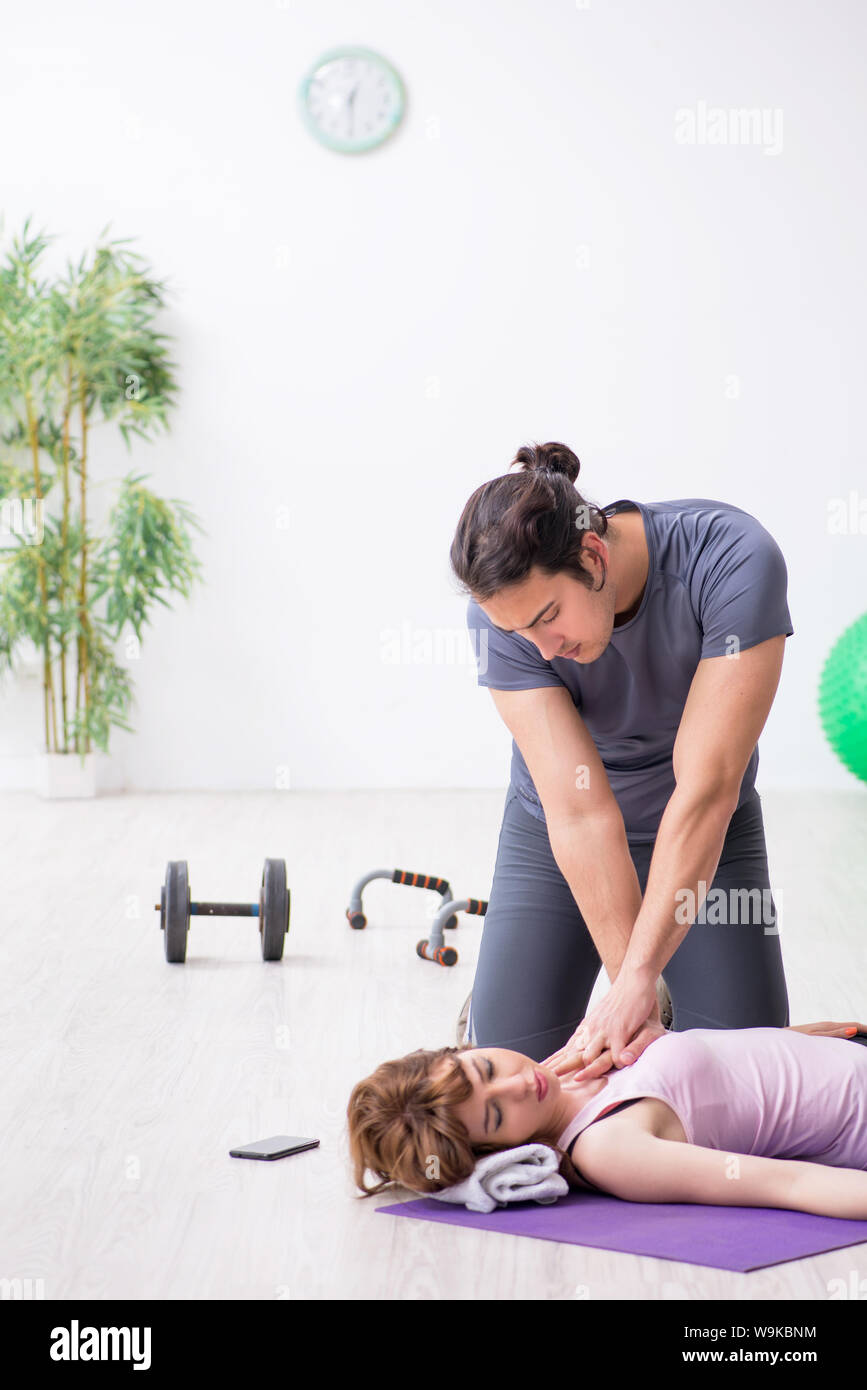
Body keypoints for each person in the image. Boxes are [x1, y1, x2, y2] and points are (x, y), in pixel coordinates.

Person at [449, 440, 795, 1079]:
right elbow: (580, 815)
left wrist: (640, 974)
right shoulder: (506, 620)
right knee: (516, 1072)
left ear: (593, 553)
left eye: (549, 618)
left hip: (701, 829)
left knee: (744, 1079)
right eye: (519, 633)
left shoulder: (733, 559)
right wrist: (635, 999)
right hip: (560, 834)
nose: (542, 651)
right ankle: (505, 1001)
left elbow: (706, 789)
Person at [346, 1023, 867, 1218]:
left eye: (485, 1067)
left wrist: (792, 1038)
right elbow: (791, 1184)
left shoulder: (566, 1067)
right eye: (497, 1114)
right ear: (493, 1153)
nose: (518, 1083)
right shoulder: (608, 1149)